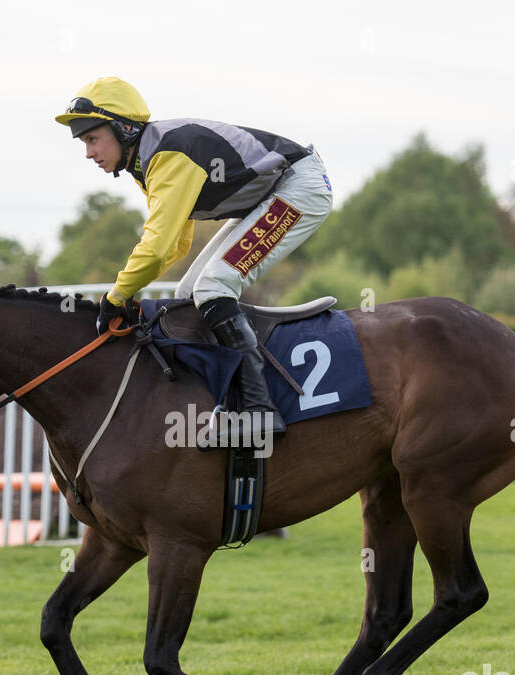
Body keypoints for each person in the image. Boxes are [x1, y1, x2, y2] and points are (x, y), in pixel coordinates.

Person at [55, 76, 334, 444]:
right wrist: (125, 293)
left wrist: (116, 296)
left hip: (299, 188)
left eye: (92, 139)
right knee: (190, 294)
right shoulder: (149, 159)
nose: (88, 152)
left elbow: (156, 248)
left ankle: (259, 409)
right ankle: (222, 398)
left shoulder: (167, 156)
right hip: (276, 191)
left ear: (123, 128)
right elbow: (177, 243)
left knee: (215, 284)